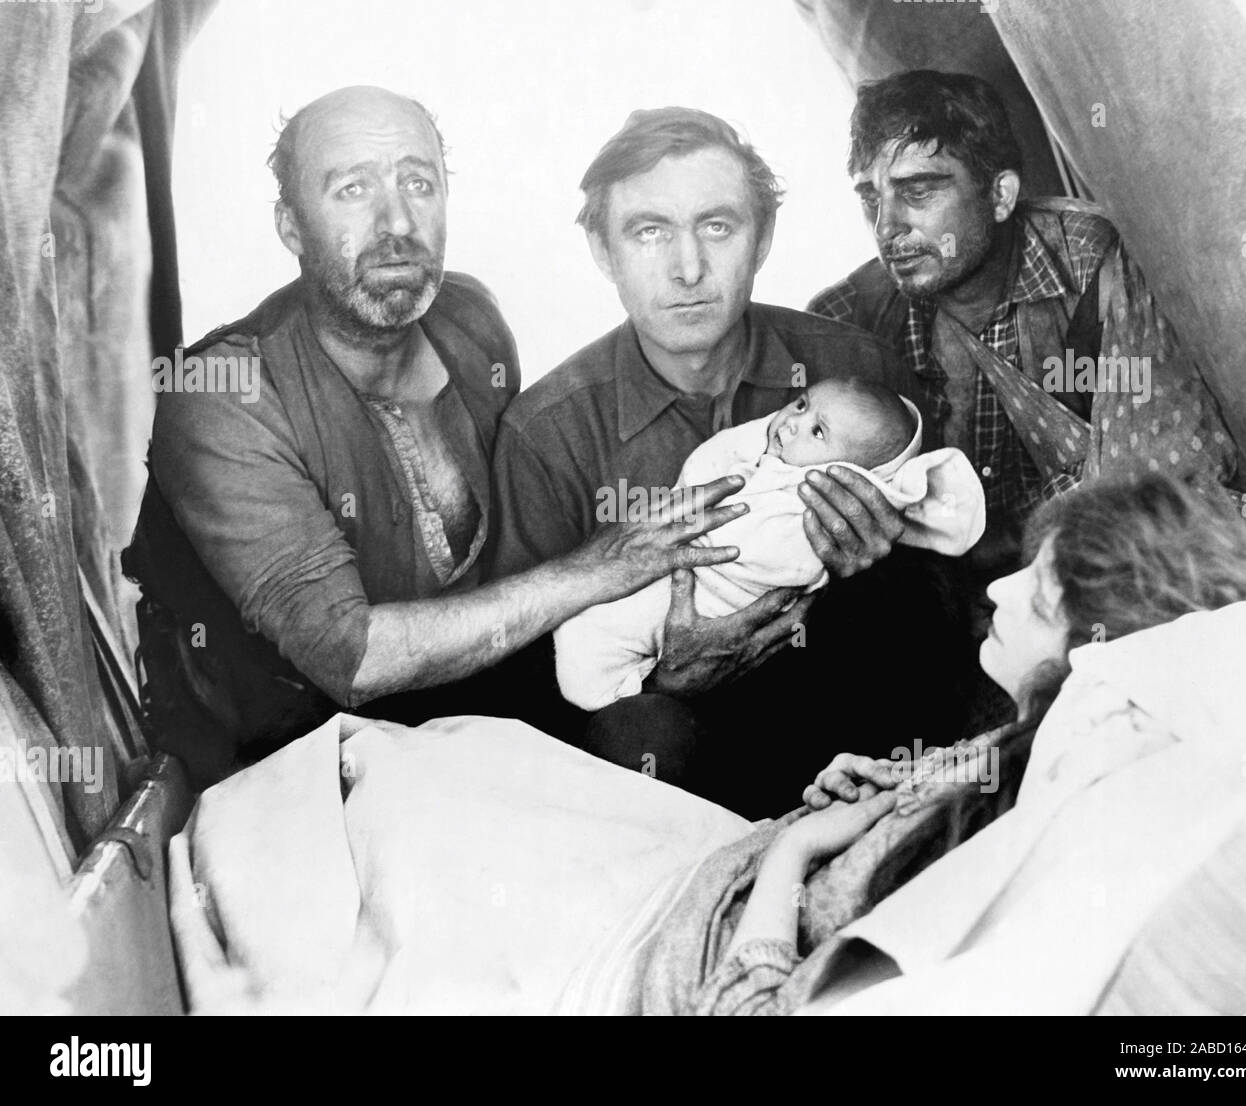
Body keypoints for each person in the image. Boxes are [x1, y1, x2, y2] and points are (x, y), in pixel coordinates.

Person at [122, 87, 750, 789]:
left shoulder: (471, 321)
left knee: (662, 735)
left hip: (466, 710)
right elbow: (352, 658)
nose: (396, 221)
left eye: (418, 184)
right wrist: (599, 568)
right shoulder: (221, 391)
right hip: (292, 758)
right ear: (290, 226)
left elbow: (512, 589)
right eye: (353, 188)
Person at [605, 473, 1246, 1015]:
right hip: (703, 891)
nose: (998, 588)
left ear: (1094, 656)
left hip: (658, 971)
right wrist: (892, 794)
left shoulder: (1023, 874)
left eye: (1039, 598)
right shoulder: (1031, 748)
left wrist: (799, 848)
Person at [489, 106, 978, 815]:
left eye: (717, 226)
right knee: (643, 736)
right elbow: (523, 686)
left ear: (764, 237)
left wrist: (880, 561)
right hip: (670, 737)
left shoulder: (854, 368)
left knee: (904, 599)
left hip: (825, 707)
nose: (688, 269)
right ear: (602, 250)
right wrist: (665, 676)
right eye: (649, 231)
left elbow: (941, 581)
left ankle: (869, 839)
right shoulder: (546, 434)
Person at [808, 70, 1238, 578]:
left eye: (918, 191)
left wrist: (992, 547)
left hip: (1089, 583)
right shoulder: (850, 318)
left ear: (1000, 195)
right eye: (870, 198)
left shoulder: (1088, 266)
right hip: (939, 606)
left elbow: (1156, 480)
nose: (886, 227)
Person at [554, 379, 984, 711]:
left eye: (818, 432)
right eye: (801, 404)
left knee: (601, 645)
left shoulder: (810, 506)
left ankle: (606, 684)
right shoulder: (763, 456)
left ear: (853, 473)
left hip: (729, 610)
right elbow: (706, 467)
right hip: (670, 585)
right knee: (590, 621)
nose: (793, 422)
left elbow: (780, 563)